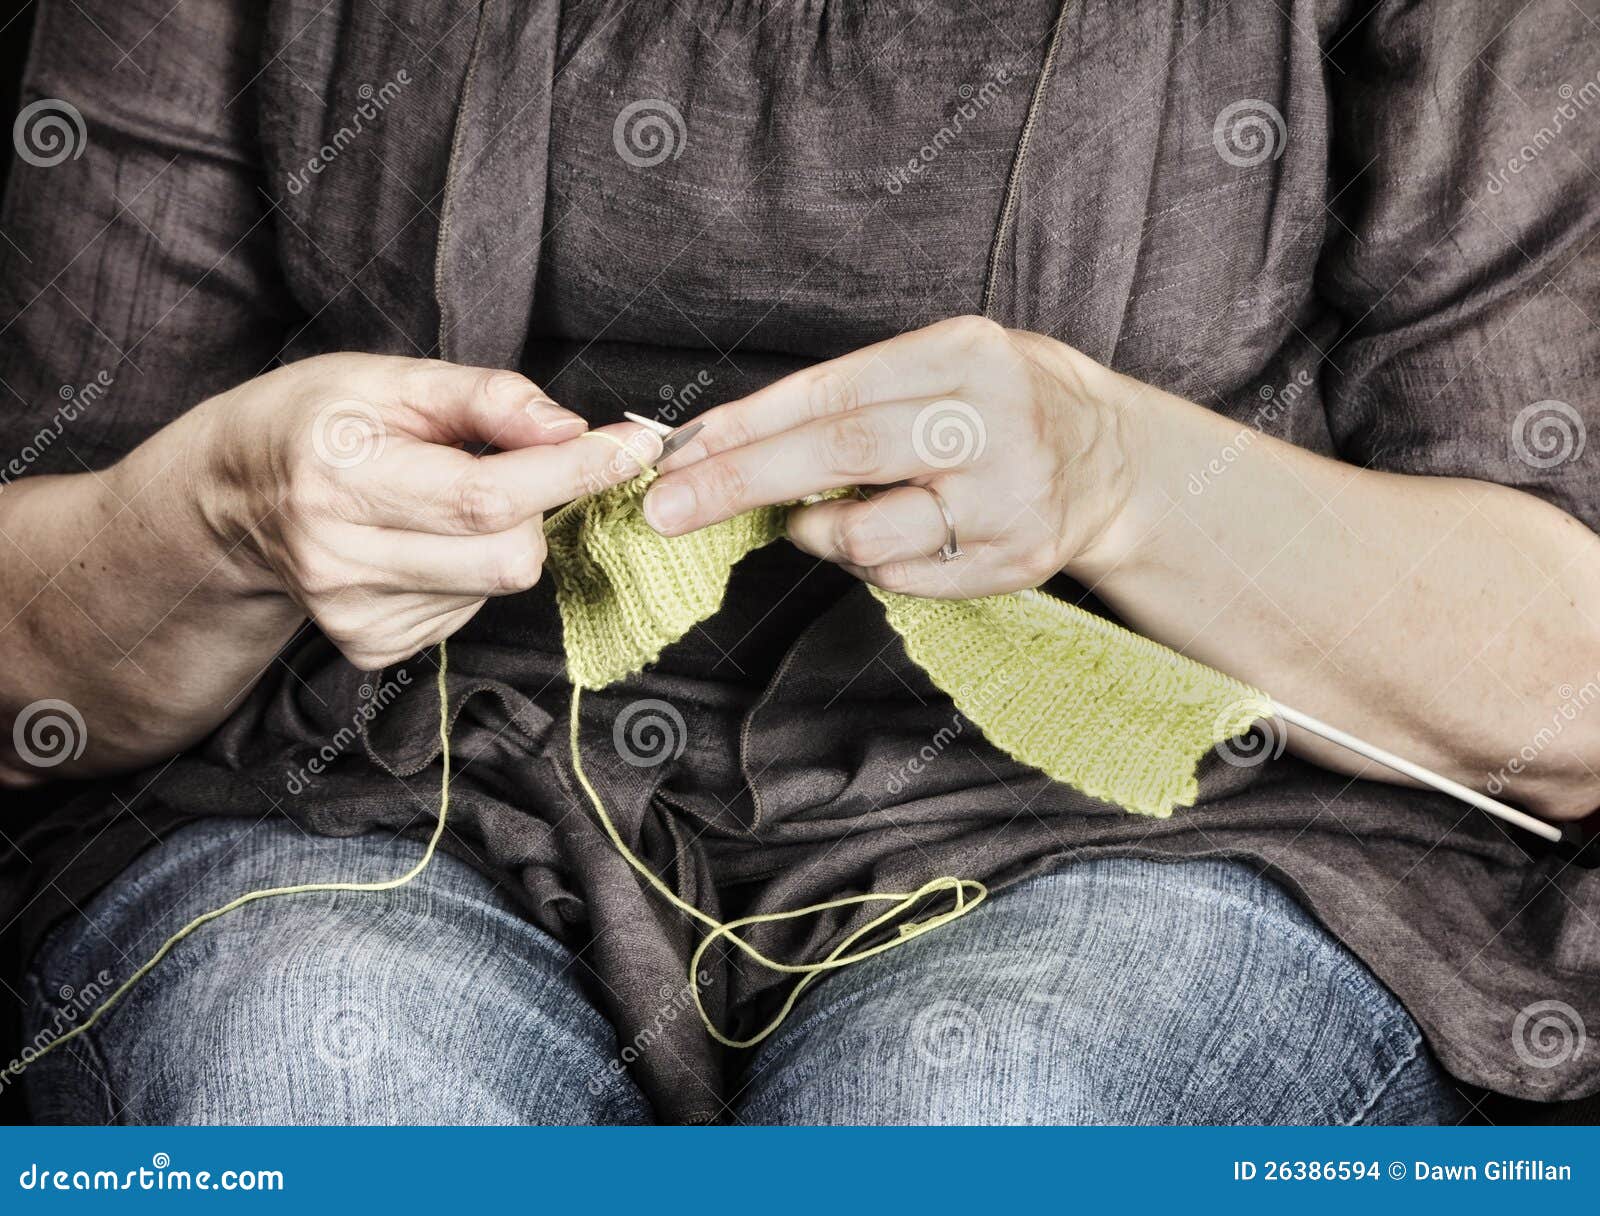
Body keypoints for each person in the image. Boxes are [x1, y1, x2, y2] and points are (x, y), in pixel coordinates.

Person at [1, 0, 1595, 1125]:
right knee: (320, 1073)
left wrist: (1123, 476)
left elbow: (1570, 701)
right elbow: (28, 672)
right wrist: (216, 515)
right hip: (375, 804)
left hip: (1173, 839)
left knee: (978, 1109)